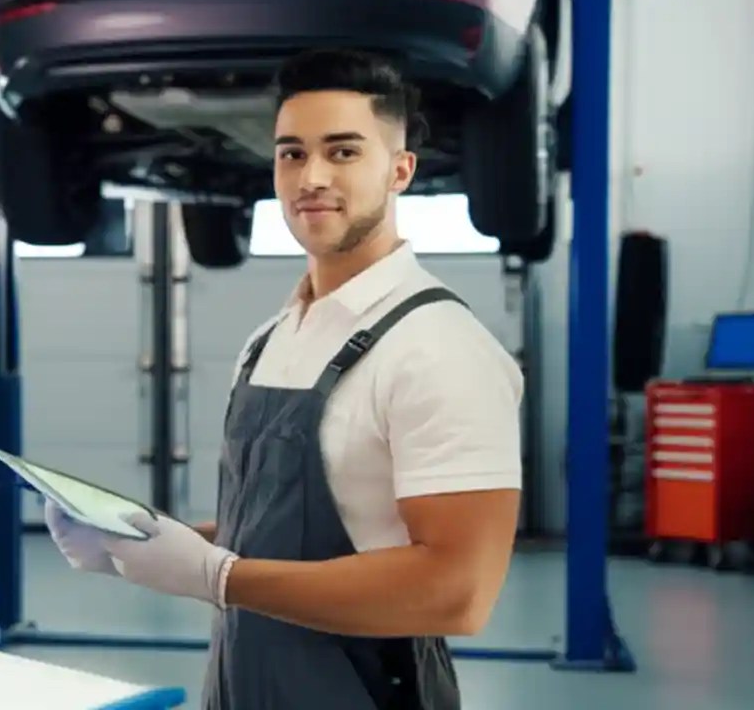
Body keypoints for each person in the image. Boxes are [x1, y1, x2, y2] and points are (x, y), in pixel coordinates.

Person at [43, 47, 524, 709]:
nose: (311, 177)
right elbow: (277, 531)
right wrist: (145, 541)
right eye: (292, 153)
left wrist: (217, 576)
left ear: (400, 171)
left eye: (345, 151)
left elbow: (458, 590)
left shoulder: (439, 349)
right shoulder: (271, 338)